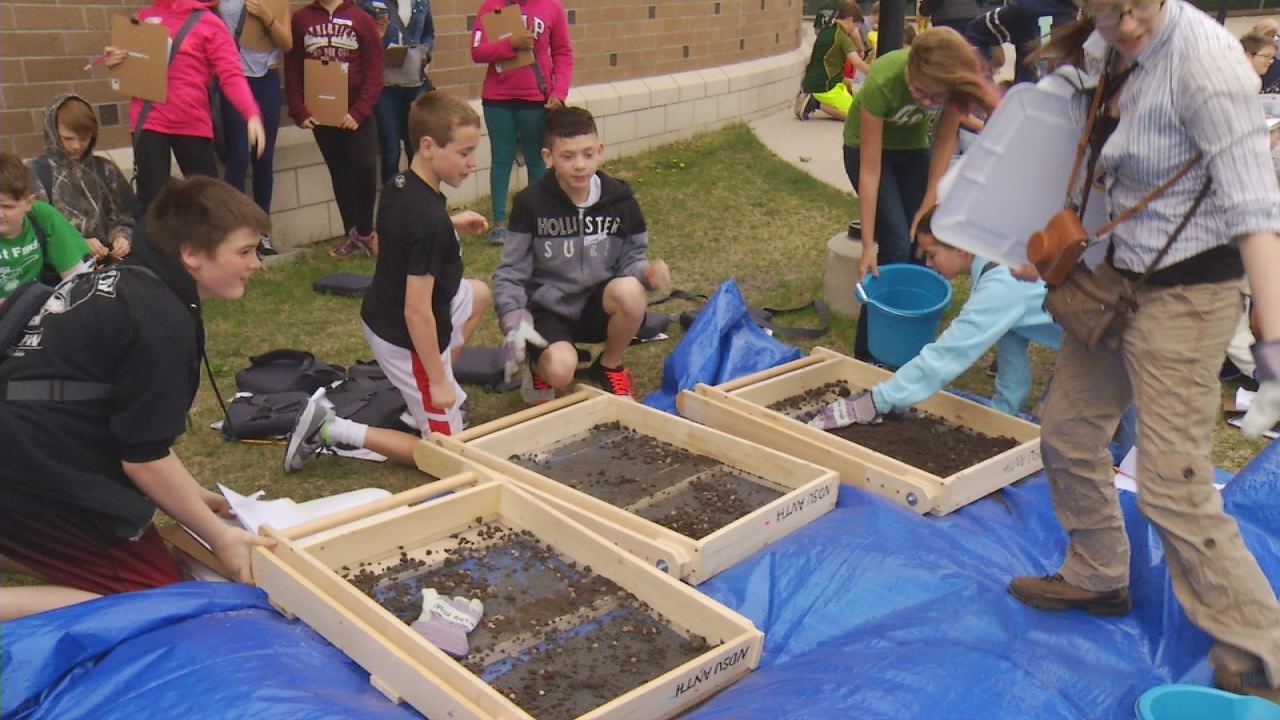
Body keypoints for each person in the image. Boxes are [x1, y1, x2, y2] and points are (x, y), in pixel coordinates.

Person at [1005, 0, 1280, 703]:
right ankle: (1098, 572)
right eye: (1104, 10)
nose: (1123, 24)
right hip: (1118, 276)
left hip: (1191, 292)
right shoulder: (1103, 43)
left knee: (1172, 483)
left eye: (1135, 8)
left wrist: (1273, 340)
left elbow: (1258, 214)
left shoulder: (1209, 68)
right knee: (1066, 432)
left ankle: (1263, 651)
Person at [0, 176, 276, 621]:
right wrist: (219, 537)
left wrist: (193, 494)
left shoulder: (131, 281)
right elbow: (143, 457)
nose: (257, 264)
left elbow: (131, 427)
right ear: (191, 254)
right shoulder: (160, 321)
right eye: (244, 251)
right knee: (152, 597)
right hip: (33, 470)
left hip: (24, 454)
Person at [284, 92, 491, 472]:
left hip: (389, 311)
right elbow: (417, 312)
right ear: (428, 146)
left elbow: (402, 236)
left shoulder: (401, 183)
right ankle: (331, 428)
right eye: (464, 153)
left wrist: (452, 223)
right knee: (452, 459)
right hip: (405, 335)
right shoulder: (426, 220)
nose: (472, 163)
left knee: (477, 293)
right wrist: (437, 380)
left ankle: (426, 400)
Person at [492, 106, 671, 404]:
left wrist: (645, 273)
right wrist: (514, 321)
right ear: (548, 157)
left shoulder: (620, 197)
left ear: (600, 151)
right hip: (548, 310)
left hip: (597, 302)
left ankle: (608, 366)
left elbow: (632, 258)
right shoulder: (530, 203)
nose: (579, 165)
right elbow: (510, 272)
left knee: (631, 291)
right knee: (561, 372)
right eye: (567, 156)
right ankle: (539, 365)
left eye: (588, 154)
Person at [843, 26, 999, 362]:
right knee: (896, 243)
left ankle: (909, 349)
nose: (926, 102)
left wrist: (928, 206)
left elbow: (944, 141)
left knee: (921, 242)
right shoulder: (884, 78)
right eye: (920, 92)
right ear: (910, 68)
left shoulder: (954, 86)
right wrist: (869, 244)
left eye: (934, 97)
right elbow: (870, 171)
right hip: (867, 150)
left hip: (914, 149)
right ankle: (867, 354)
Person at [102, 0, 265, 215]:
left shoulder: (209, 23)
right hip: (149, 118)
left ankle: (206, 247)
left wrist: (251, 113)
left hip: (191, 121)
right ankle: (158, 249)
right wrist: (116, 62)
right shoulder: (142, 18)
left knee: (207, 203)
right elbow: (128, 78)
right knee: (153, 204)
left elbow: (231, 73)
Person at [286, 0, 384, 258]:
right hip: (322, 112)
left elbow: (375, 71)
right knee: (340, 173)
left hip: (355, 113)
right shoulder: (301, 19)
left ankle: (365, 231)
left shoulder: (361, 19)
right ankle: (350, 234)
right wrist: (299, 109)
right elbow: (294, 67)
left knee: (364, 166)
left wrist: (359, 111)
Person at [471, 0, 574, 246]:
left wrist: (559, 92)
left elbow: (562, 52)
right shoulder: (490, 7)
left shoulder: (551, 7)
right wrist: (510, 45)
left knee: (536, 159)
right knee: (502, 159)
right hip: (498, 99)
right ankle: (498, 224)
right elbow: (477, 51)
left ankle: (537, 220)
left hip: (536, 97)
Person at [215, 0, 293, 256]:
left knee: (263, 156)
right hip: (234, 78)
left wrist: (267, 16)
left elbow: (287, 44)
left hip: (266, 79)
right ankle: (235, 233)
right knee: (238, 157)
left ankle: (262, 233)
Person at [24, 94, 137, 266]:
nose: (76, 146)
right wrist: (77, 243)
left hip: (110, 263)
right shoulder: (35, 174)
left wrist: (123, 236)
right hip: (63, 269)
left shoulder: (105, 170)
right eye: (68, 139)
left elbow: (129, 215)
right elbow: (33, 232)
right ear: (52, 133)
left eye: (84, 139)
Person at [361, 0, 436, 184]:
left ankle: (417, 202)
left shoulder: (421, 2)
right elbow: (361, 36)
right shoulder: (369, 2)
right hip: (385, 85)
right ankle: (392, 205)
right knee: (390, 151)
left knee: (417, 149)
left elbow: (428, 33)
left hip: (414, 82)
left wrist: (425, 52)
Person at [0, 152, 92, 300]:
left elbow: (75, 279)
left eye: (8, 207)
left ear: (29, 203)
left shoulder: (42, 216)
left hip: (35, 304)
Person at [963, 0, 1079, 84]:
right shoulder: (1084, 14)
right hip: (1063, 104)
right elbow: (977, 32)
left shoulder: (1023, 8)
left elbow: (976, 32)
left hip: (1029, 102)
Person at [801, 1, 870, 122]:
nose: (854, 29)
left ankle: (813, 98)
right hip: (825, 86)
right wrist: (875, 72)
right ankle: (814, 103)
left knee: (850, 92)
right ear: (850, 19)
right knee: (856, 116)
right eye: (855, 25)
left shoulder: (826, 30)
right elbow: (857, 62)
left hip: (812, 80)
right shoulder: (842, 38)